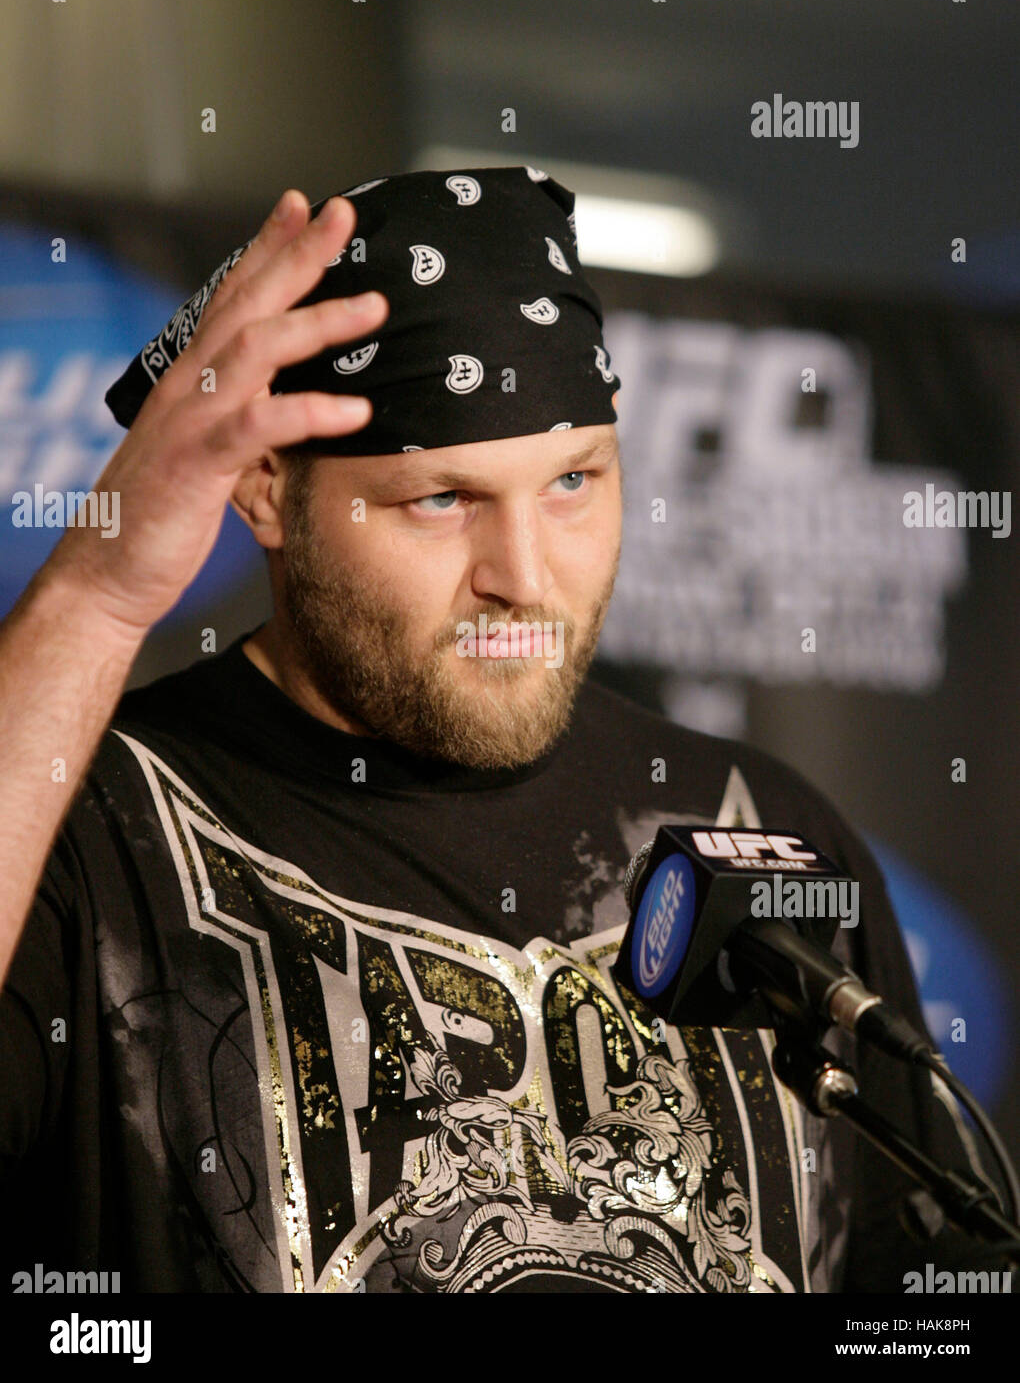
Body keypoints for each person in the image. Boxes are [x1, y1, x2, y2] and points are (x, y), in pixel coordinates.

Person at [0, 168, 998, 1294]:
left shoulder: (763, 830)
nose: (524, 578)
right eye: (443, 499)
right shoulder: (83, 827)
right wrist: (95, 596)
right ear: (267, 486)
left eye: (573, 480)